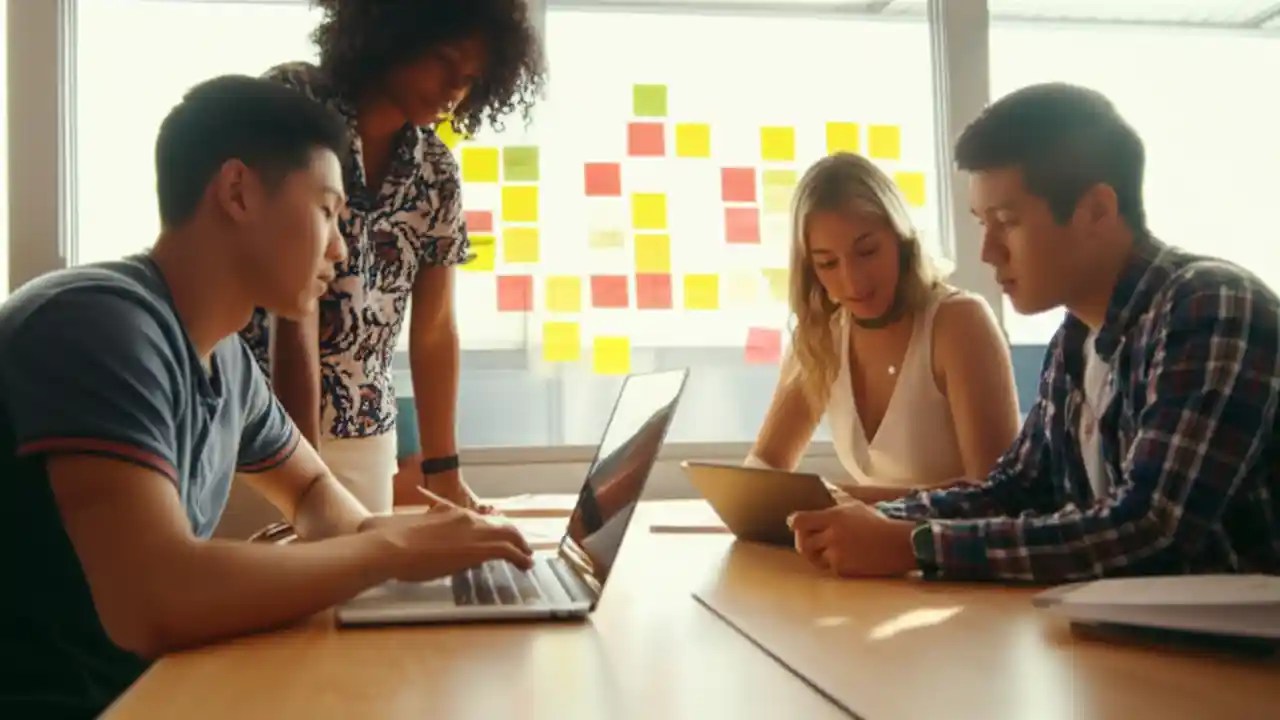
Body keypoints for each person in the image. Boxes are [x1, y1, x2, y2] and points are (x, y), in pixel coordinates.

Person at [0, 76, 532, 718]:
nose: (340, 248)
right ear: (237, 192)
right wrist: (390, 551)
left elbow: (311, 494)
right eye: (328, 212)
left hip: (139, 691)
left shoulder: (223, 356)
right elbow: (154, 601)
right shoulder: (97, 324)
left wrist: (445, 547)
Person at [789, 83, 1280, 582]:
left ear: (1097, 211)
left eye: (1007, 222)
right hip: (1122, 644)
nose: (987, 252)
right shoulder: (1075, 341)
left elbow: (1151, 528)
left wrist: (917, 545)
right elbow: (1015, 489)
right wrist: (868, 525)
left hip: (1239, 655)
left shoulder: (1211, 306)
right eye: (982, 223)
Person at [239, 0, 547, 514]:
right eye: (445, 61)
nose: (455, 88)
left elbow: (434, 329)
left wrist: (443, 473)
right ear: (393, 32)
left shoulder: (436, 171)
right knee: (265, 587)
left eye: (471, 78)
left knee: (354, 592)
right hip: (253, 423)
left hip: (364, 434)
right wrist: (306, 469)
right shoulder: (295, 102)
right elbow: (293, 307)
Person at [748, 152, 1020, 499]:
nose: (853, 281)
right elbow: (763, 468)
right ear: (810, 271)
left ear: (900, 239)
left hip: (952, 550)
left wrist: (846, 499)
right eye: (828, 263)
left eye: (868, 252)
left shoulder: (958, 322)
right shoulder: (821, 336)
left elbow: (996, 491)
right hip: (867, 548)